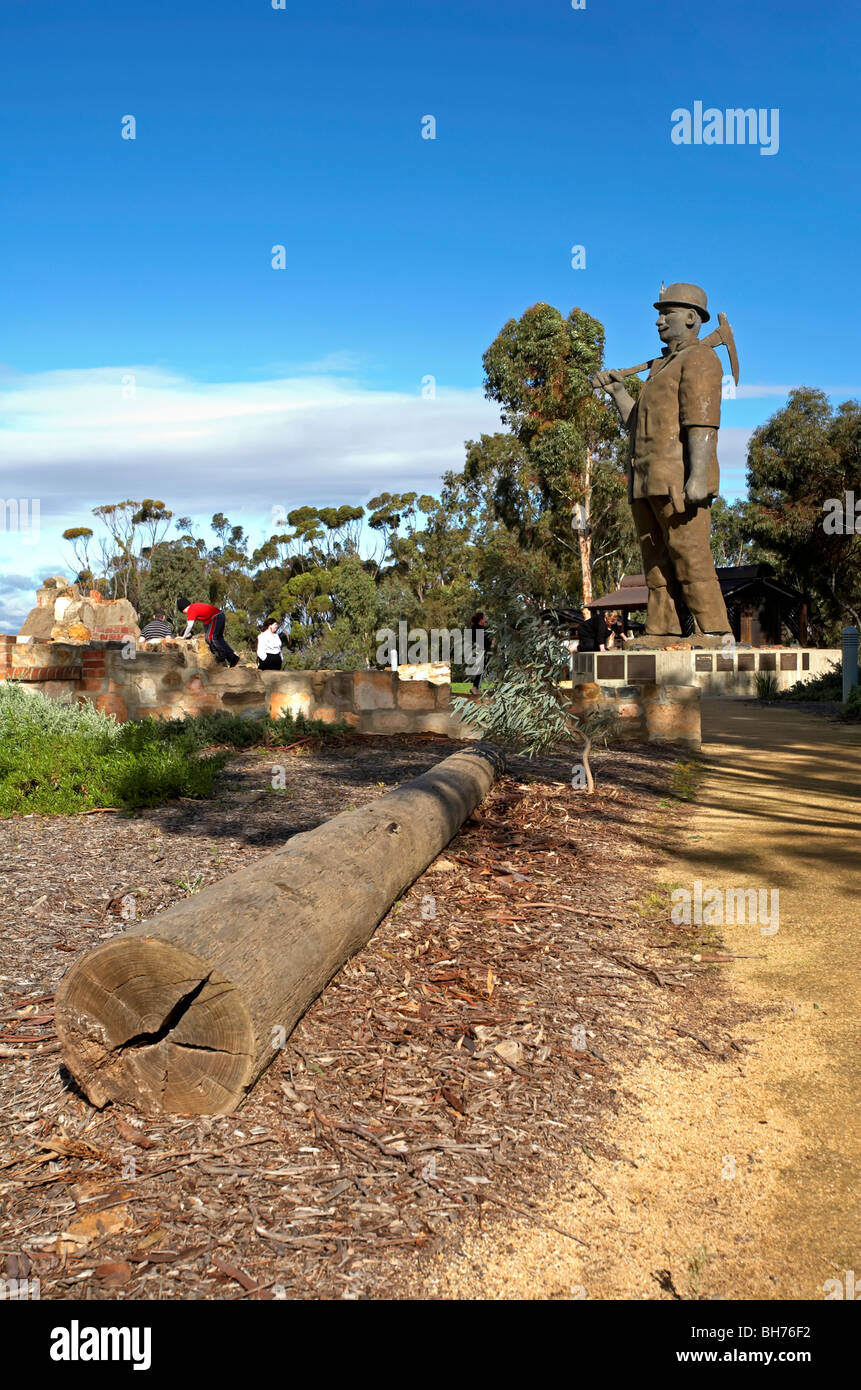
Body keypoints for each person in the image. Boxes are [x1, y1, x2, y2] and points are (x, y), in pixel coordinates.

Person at [594, 283, 732, 636]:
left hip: (677, 479)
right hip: (644, 479)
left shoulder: (700, 358)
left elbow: (702, 421)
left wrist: (698, 476)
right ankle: (662, 628)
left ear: (690, 318)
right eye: (658, 313)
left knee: (689, 553)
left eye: (666, 313)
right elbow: (636, 424)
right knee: (655, 562)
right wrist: (619, 393)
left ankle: (714, 631)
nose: (658, 321)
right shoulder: (659, 369)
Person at [176, 596, 240, 667]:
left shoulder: (191, 610)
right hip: (220, 615)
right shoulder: (196, 607)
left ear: (183, 609)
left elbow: (190, 625)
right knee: (218, 638)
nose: (184, 614)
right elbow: (206, 622)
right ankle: (233, 658)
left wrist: (183, 637)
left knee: (211, 637)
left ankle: (221, 655)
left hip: (216, 617)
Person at [467, 611, 490, 696]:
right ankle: (475, 688)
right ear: (481, 619)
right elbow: (483, 642)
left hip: (477, 651)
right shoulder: (479, 629)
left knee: (480, 670)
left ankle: (476, 688)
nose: (485, 620)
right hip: (480, 652)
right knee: (480, 670)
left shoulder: (476, 628)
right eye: (484, 619)